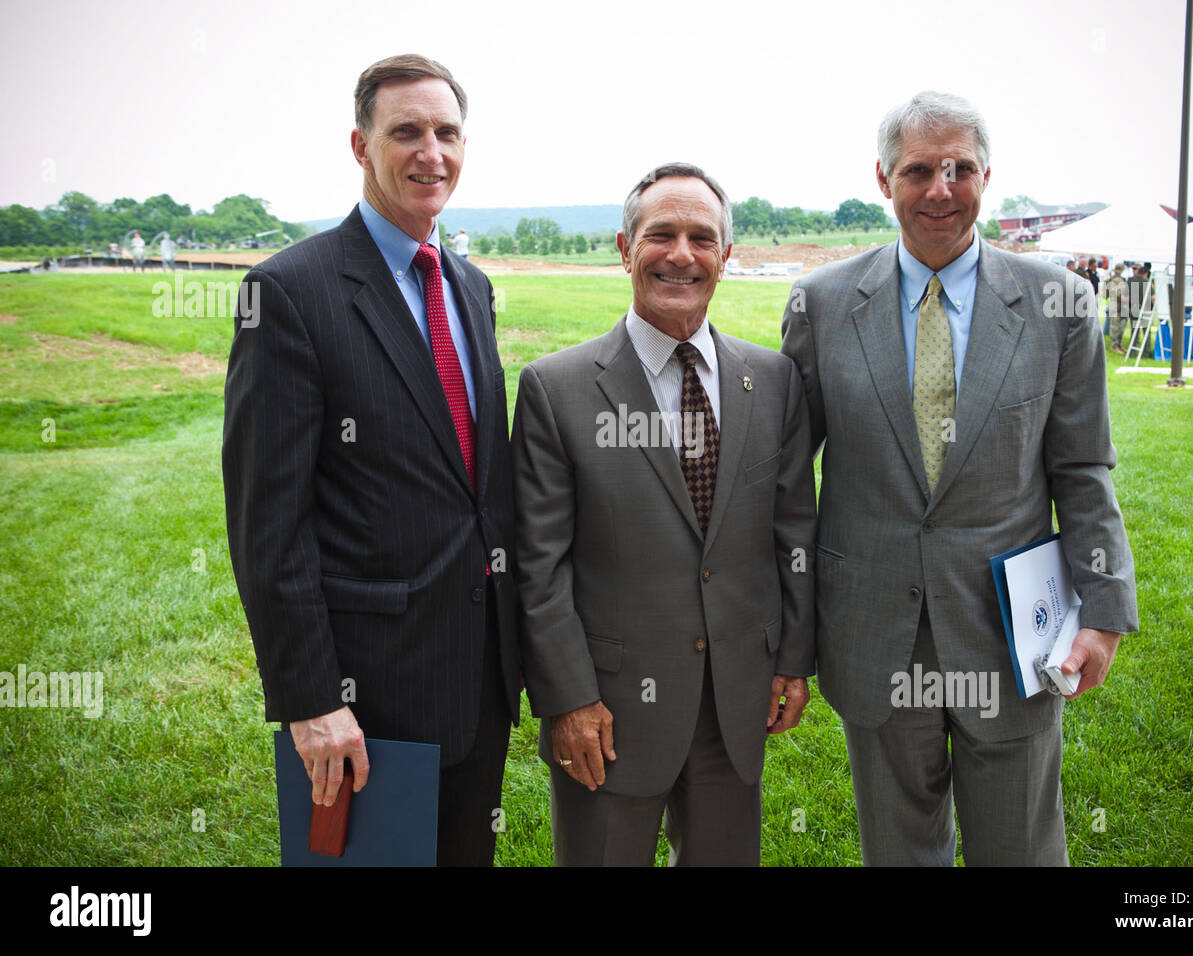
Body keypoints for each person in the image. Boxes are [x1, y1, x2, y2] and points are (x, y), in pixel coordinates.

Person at [781, 91, 1138, 866]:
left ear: (986, 175)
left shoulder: (1060, 304)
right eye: (918, 170)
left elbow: (1082, 470)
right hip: (874, 633)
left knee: (1023, 850)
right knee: (901, 854)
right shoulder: (822, 302)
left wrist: (1105, 610)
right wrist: (784, 629)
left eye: (960, 169)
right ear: (883, 179)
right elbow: (786, 478)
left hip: (1015, 639)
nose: (940, 189)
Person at [222, 54, 519, 867]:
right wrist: (312, 700)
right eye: (407, 132)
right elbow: (266, 522)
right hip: (364, 695)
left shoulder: (470, 286)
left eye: (448, 132)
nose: (432, 153)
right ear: (361, 145)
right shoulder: (287, 292)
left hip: (478, 679)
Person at [512, 163, 816, 866]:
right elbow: (539, 564)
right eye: (662, 234)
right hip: (608, 715)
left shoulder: (772, 381)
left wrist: (793, 659)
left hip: (736, 703)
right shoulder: (556, 391)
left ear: (726, 257)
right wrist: (569, 699)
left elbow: (794, 527)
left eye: (702, 238)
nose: (682, 254)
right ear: (625, 248)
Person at [1106, 263, 1129, 352]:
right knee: (1115, 327)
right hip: (1115, 305)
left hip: (1121, 305)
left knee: (1121, 327)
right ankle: (1114, 346)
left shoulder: (1121, 279)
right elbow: (1115, 293)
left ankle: (1119, 345)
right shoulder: (1114, 280)